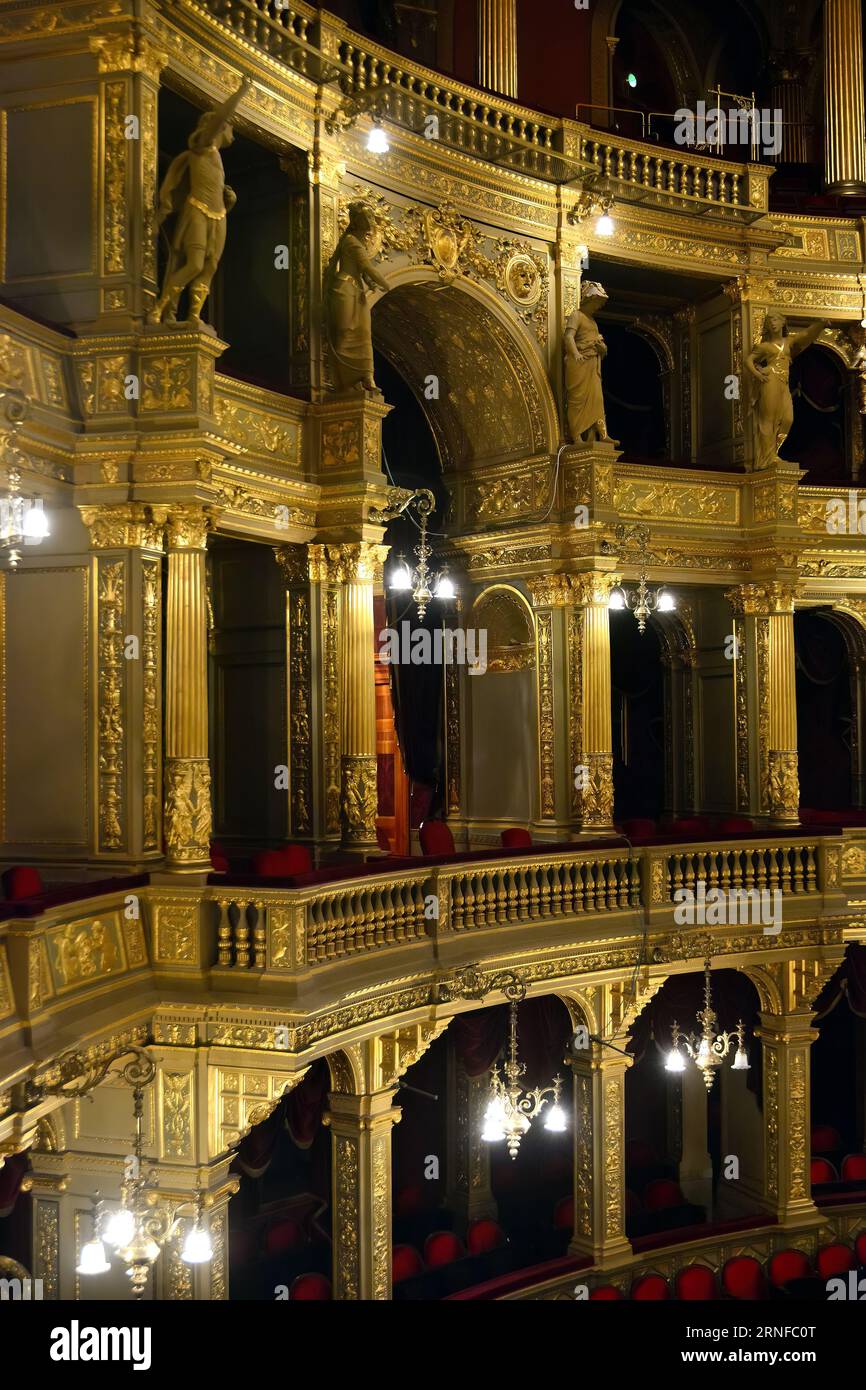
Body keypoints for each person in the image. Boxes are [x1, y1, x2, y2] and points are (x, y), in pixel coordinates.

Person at [148, 77, 251, 327]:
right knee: (193, 263)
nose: (232, 135)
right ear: (216, 127)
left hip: (218, 215)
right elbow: (221, 116)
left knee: (209, 266)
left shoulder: (214, 156)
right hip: (198, 210)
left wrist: (228, 200)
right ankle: (160, 309)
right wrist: (241, 92)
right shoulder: (202, 145)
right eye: (229, 128)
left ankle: (194, 315)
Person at [745, 312, 827, 470]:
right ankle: (767, 458)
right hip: (770, 380)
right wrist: (757, 374)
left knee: (787, 418)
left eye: (775, 319)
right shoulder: (764, 346)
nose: (772, 323)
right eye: (770, 321)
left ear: (783, 323)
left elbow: (805, 335)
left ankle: (774, 452)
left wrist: (820, 324)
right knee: (768, 419)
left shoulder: (788, 342)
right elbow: (748, 360)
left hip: (784, 382)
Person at [323, 202, 391, 392]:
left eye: (371, 217)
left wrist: (369, 283)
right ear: (358, 221)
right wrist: (386, 285)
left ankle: (367, 377)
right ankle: (343, 381)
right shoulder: (351, 241)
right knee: (346, 333)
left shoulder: (355, 242)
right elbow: (367, 267)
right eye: (367, 217)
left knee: (363, 335)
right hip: (344, 290)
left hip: (356, 291)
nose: (370, 221)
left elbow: (362, 271)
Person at [564, 281, 618, 445]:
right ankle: (577, 436)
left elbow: (600, 346)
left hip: (593, 363)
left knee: (596, 399)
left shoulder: (593, 322)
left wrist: (602, 349)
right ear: (589, 299)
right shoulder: (577, 316)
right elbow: (568, 337)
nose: (599, 307)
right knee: (578, 399)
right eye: (597, 303)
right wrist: (576, 354)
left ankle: (599, 435)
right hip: (579, 363)